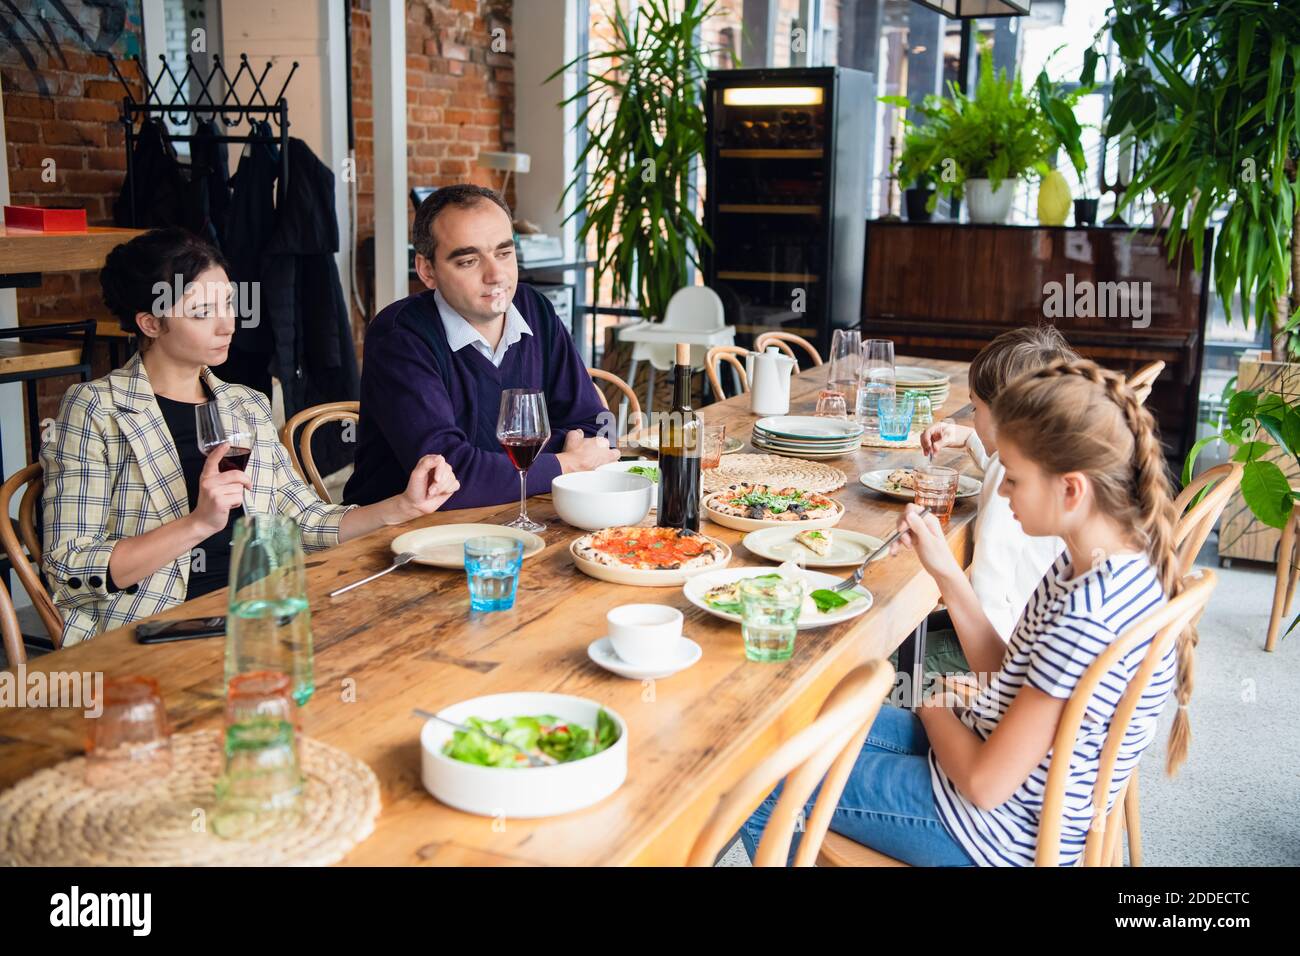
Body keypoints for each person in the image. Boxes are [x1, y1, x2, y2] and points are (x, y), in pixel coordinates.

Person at [742, 359, 1194, 866]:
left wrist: (933, 705)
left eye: (1014, 479)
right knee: (795, 730)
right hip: (1001, 774)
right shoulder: (1096, 559)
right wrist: (947, 573)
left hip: (997, 833)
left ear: (1071, 488)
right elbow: (1008, 672)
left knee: (757, 782)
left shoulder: (1088, 614)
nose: (1000, 491)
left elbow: (984, 784)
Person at [41, 228, 461, 646]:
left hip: (257, 612)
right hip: (156, 630)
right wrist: (197, 524)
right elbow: (72, 568)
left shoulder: (245, 404)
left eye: (229, 303)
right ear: (151, 323)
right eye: (202, 312)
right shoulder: (98, 408)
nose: (228, 324)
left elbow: (304, 522)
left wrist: (403, 506)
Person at [343, 184, 618, 509]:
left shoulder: (536, 310)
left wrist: (489, 470)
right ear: (427, 270)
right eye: (468, 261)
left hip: (520, 512)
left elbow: (598, 428)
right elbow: (447, 482)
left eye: (504, 253)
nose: (496, 274)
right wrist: (564, 463)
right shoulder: (399, 337)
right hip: (404, 538)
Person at [915, 326, 1079, 675]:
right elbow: (994, 461)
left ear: (1005, 416)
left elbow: (988, 595)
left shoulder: (1009, 482)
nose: (972, 416)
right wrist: (968, 437)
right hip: (1027, 636)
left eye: (975, 408)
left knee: (877, 662)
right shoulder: (1044, 464)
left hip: (997, 652)